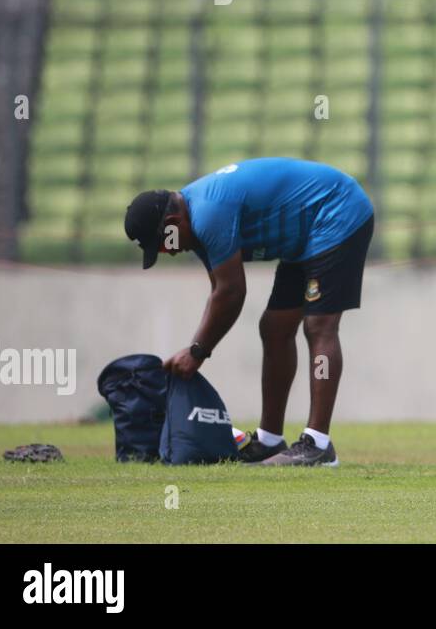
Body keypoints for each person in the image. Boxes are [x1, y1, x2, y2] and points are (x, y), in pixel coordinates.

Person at [123, 157, 374, 467]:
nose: (169, 251)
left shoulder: (207, 214)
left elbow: (232, 293)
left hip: (337, 211)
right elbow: (220, 292)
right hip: (303, 235)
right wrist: (196, 349)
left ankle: (319, 445)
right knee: (274, 328)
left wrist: (197, 351)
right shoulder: (195, 222)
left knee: (319, 326)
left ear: (173, 224)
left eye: (163, 245)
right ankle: (269, 440)